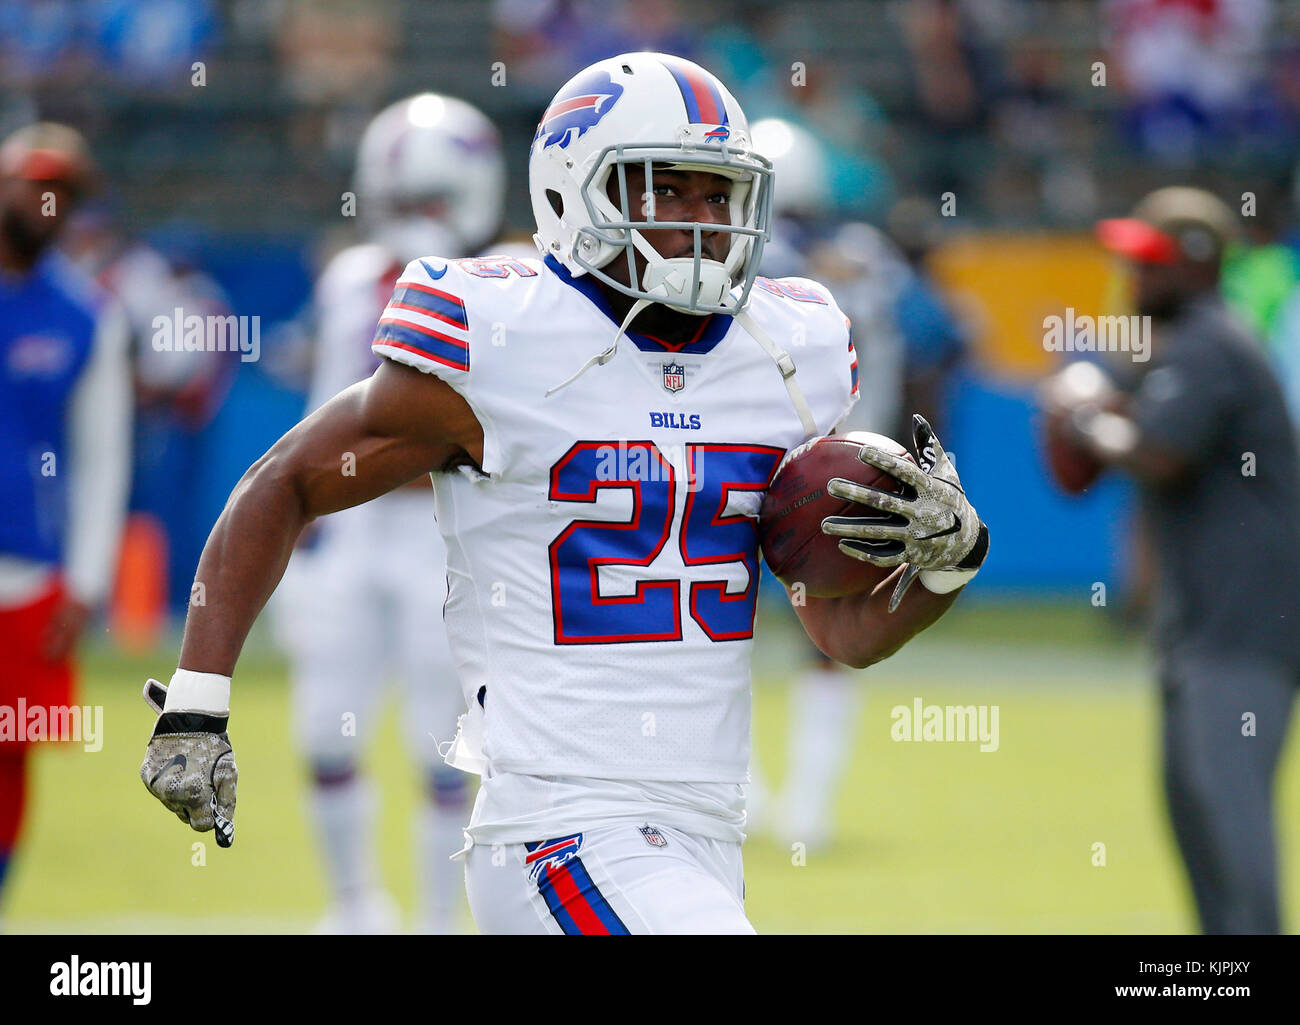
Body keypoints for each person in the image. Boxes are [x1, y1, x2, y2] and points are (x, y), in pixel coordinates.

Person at [138, 52, 989, 934]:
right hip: (556, 828)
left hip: (704, 829)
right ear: (577, 192)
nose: (703, 223)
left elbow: (839, 633)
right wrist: (199, 694)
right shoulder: (504, 334)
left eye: (719, 196)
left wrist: (948, 567)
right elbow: (284, 480)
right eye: (669, 191)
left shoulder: (788, 350)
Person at [273, 92, 505, 934]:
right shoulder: (362, 279)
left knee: (435, 748)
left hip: (432, 527)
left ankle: (428, 916)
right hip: (364, 528)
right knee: (339, 734)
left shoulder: (494, 284)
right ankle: (358, 908)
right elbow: (319, 417)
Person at [1041, 186, 1300, 934]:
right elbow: (1097, 454)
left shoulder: (1210, 342)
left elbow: (1156, 452)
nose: (1134, 276)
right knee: (1195, 815)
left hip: (1243, 623)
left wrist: (1081, 409)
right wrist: (1088, 401)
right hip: (1201, 624)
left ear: (1197, 266)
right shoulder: (1174, 347)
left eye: (1151, 263)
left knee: (1229, 810)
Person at [0, 123, 131, 911]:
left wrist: (85, 580)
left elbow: (101, 457)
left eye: (65, 193)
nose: (47, 204)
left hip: (26, 569)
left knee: (11, 758)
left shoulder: (88, 316)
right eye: (33, 184)